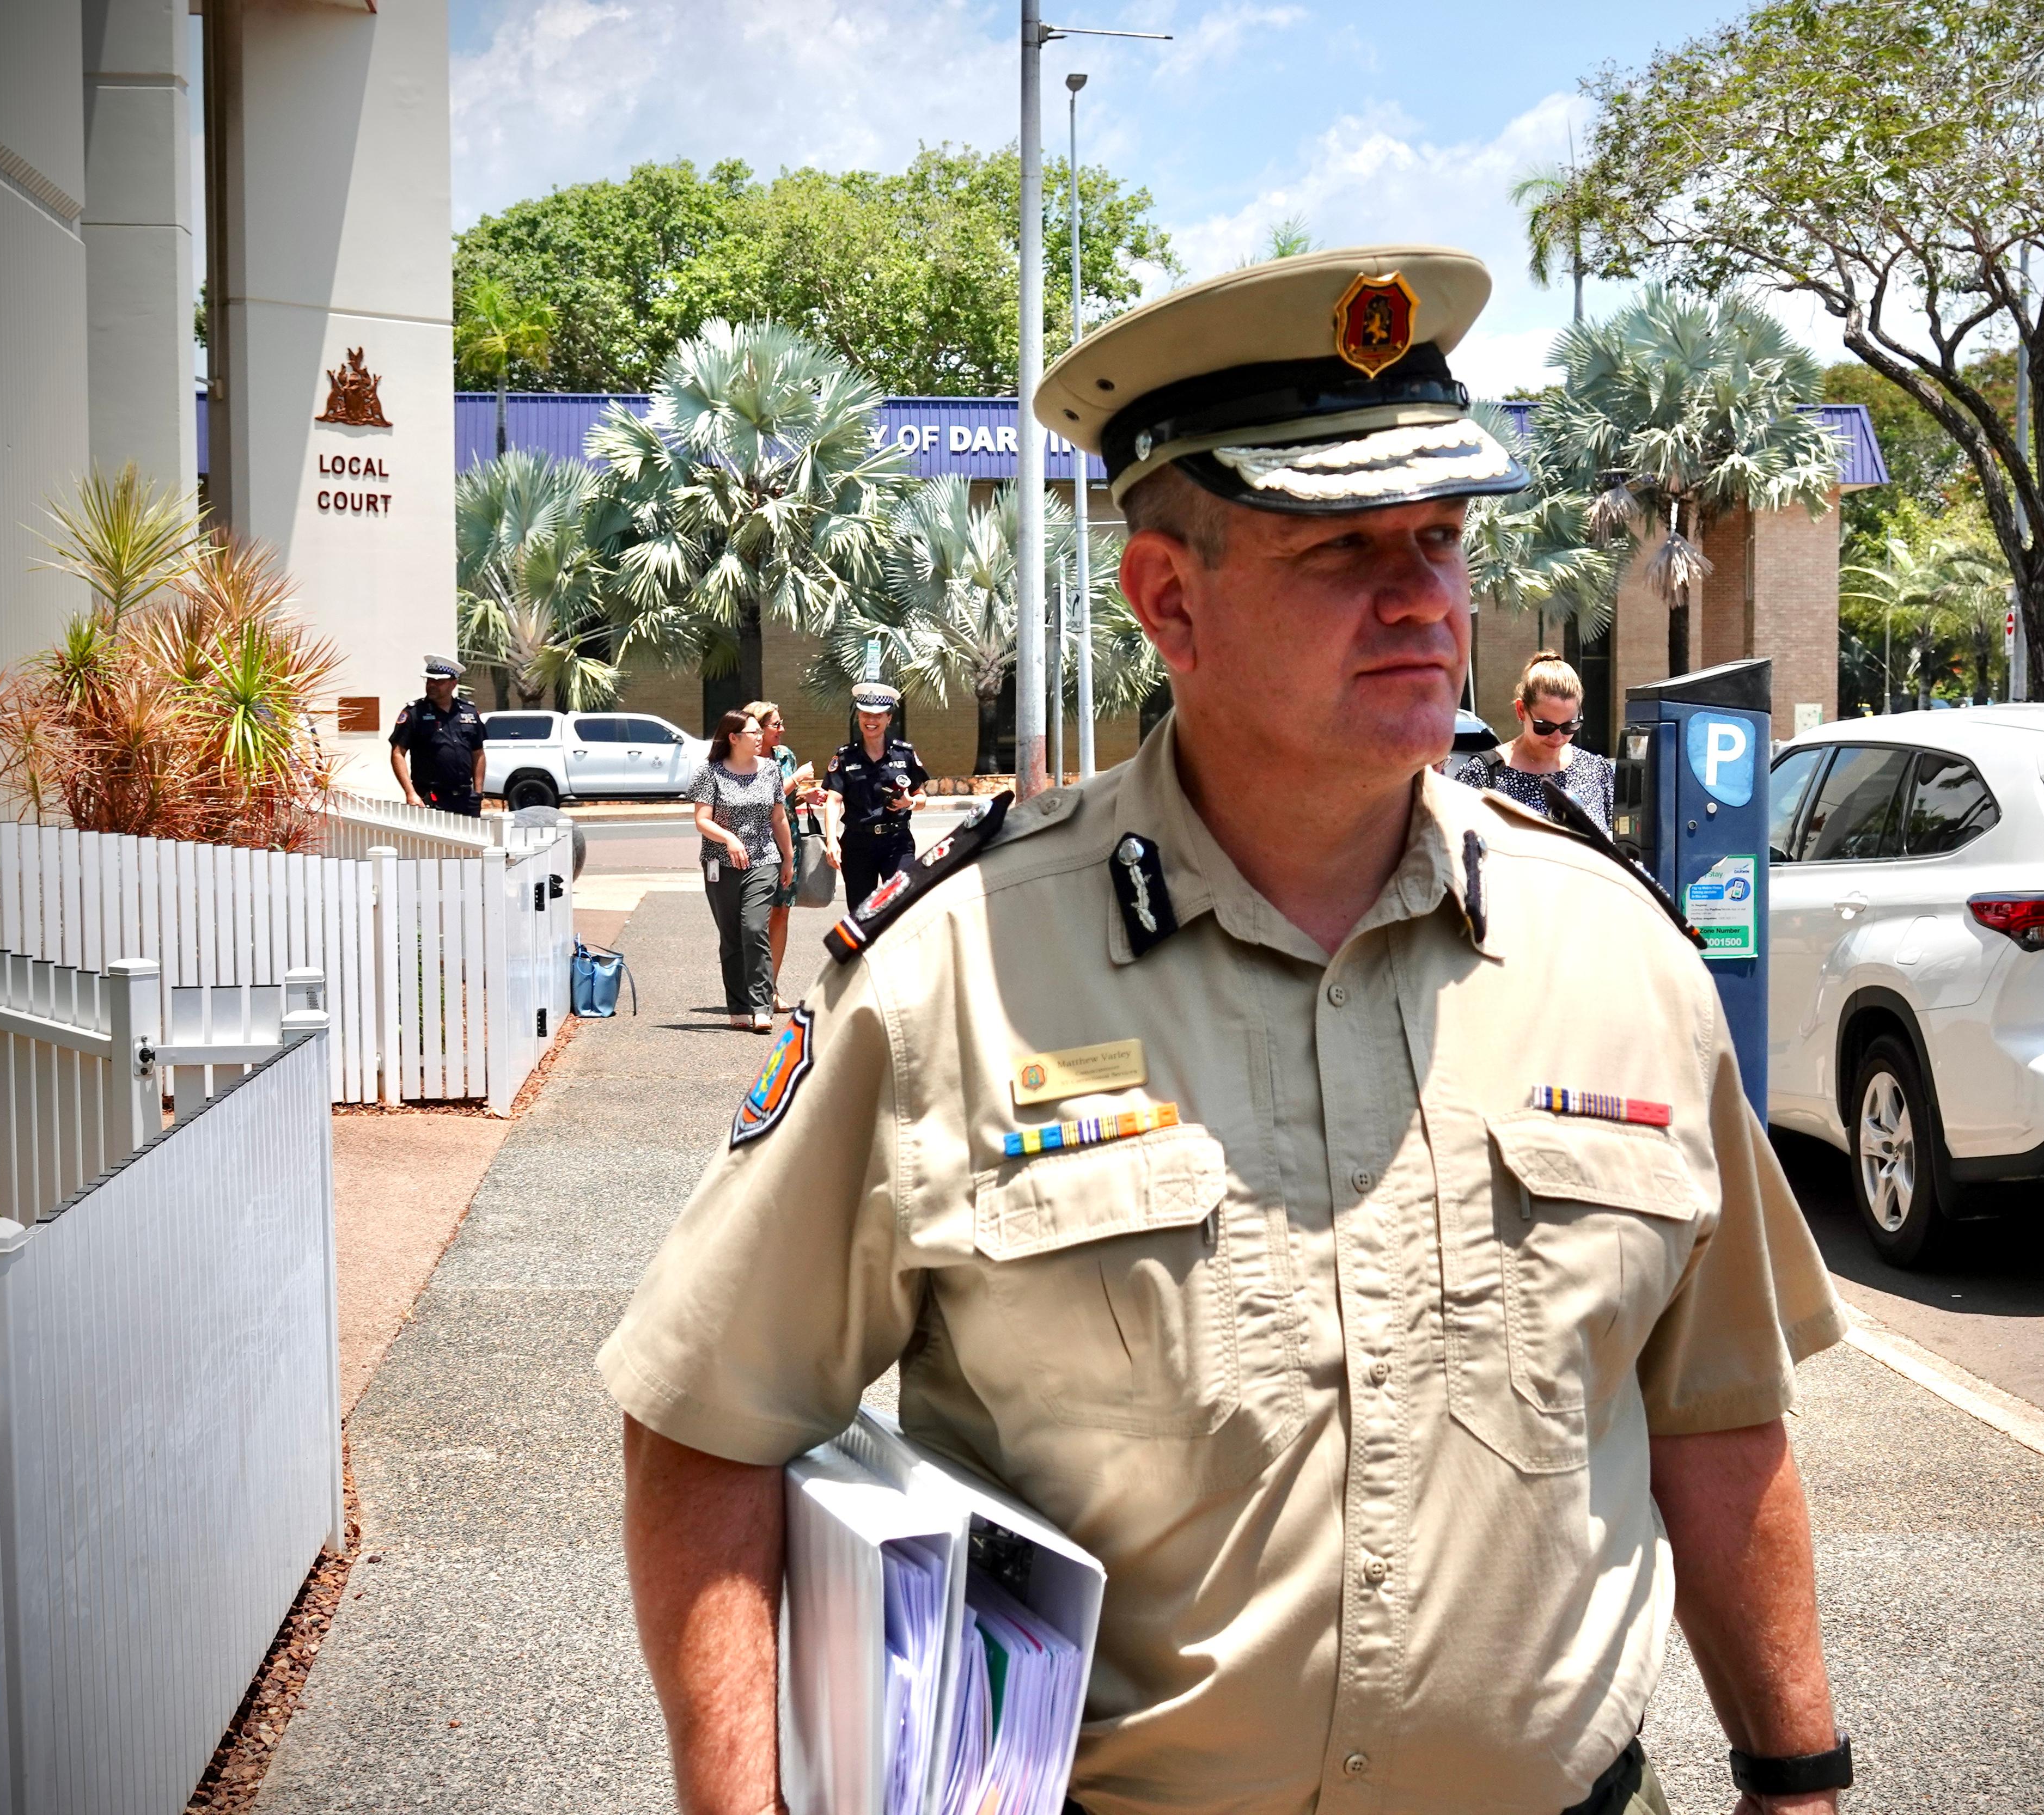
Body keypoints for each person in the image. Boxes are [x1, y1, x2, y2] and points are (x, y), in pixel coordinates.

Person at [602, 246, 1853, 1815]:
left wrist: (1796, 1773)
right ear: (1166, 600)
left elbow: (1718, 1409)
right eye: (1340, 548)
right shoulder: (952, 978)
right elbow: (709, 1423)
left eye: (1443, 535)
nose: (1423, 595)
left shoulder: (1617, 952)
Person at [688, 711, 795, 1032]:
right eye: (752, 732)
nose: (760, 736)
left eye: (759, 731)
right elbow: (702, 820)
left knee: (754, 927)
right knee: (731, 936)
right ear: (733, 738)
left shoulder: (771, 770)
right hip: (720, 864)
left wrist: (788, 859)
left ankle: (762, 1006)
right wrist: (729, 838)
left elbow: (779, 819)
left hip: (763, 860)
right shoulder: (710, 772)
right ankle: (738, 1007)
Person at [1452, 649, 1618, 827]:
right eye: (1545, 727)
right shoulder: (1484, 773)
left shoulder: (1596, 771)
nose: (1557, 737)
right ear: (1521, 711)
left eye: (1569, 726)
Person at [823, 681, 928, 906]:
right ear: (858, 718)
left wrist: (909, 802)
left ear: (889, 719)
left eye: (878, 715)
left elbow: (921, 798)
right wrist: (832, 840)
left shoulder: (905, 754)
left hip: (897, 843)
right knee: (861, 912)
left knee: (900, 905)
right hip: (858, 843)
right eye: (865, 715)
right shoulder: (845, 757)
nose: (871, 721)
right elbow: (834, 800)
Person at [739, 700, 816, 992]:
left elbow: (782, 803)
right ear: (758, 727)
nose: (782, 730)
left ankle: (771, 987)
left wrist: (804, 797)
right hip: (754, 843)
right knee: (758, 917)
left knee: (782, 911)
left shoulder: (785, 756)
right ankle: (751, 986)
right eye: (776, 725)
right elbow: (759, 798)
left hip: (786, 841)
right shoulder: (745, 757)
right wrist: (795, 781)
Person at [387, 656, 485, 817]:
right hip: (431, 797)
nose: (432, 685)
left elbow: (478, 753)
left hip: (466, 798)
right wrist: (411, 793)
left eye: (438, 682)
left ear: (453, 683)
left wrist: (478, 792)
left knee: (471, 842)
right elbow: (398, 753)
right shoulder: (415, 713)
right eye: (429, 681)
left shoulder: (469, 712)